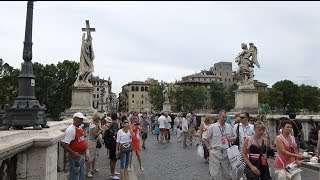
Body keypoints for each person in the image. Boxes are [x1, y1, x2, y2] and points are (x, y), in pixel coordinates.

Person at [202, 110, 236, 180]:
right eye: (223, 117)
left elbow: (234, 136)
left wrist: (233, 138)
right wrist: (209, 148)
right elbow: (205, 138)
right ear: (219, 117)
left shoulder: (229, 126)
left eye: (226, 117)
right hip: (215, 152)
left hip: (226, 153)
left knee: (227, 174)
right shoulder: (212, 127)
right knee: (215, 174)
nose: (224, 119)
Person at [60, 112, 89, 180]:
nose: (81, 121)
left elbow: (83, 140)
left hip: (81, 155)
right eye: (79, 119)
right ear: (75, 119)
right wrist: (73, 153)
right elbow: (63, 143)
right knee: (74, 174)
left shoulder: (80, 128)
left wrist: (86, 152)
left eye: (82, 119)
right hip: (75, 156)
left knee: (81, 173)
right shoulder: (70, 130)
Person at [116, 116, 135, 180]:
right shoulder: (120, 131)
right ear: (122, 124)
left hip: (129, 148)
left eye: (127, 122)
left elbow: (133, 136)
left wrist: (129, 129)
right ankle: (122, 178)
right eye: (125, 122)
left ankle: (126, 177)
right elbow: (118, 142)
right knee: (122, 165)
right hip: (122, 149)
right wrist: (117, 150)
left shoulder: (130, 130)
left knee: (126, 164)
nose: (126, 123)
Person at [104, 113, 120, 180]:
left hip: (111, 144)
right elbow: (116, 134)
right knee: (114, 159)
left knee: (112, 159)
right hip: (113, 144)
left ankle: (112, 172)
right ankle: (112, 174)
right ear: (117, 117)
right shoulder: (115, 124)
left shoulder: (111, 124)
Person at [86, 112, 102, 178]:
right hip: (92, 142)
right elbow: (94, 135)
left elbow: (88, 132)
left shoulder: (93, 124)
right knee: (91, 158)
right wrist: (100, 131)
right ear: (96, 119)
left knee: (94, 157)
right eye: (99, 119)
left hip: (93, 141)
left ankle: (93, 169)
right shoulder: (93, 125)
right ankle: (88, 172)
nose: (99, 120)